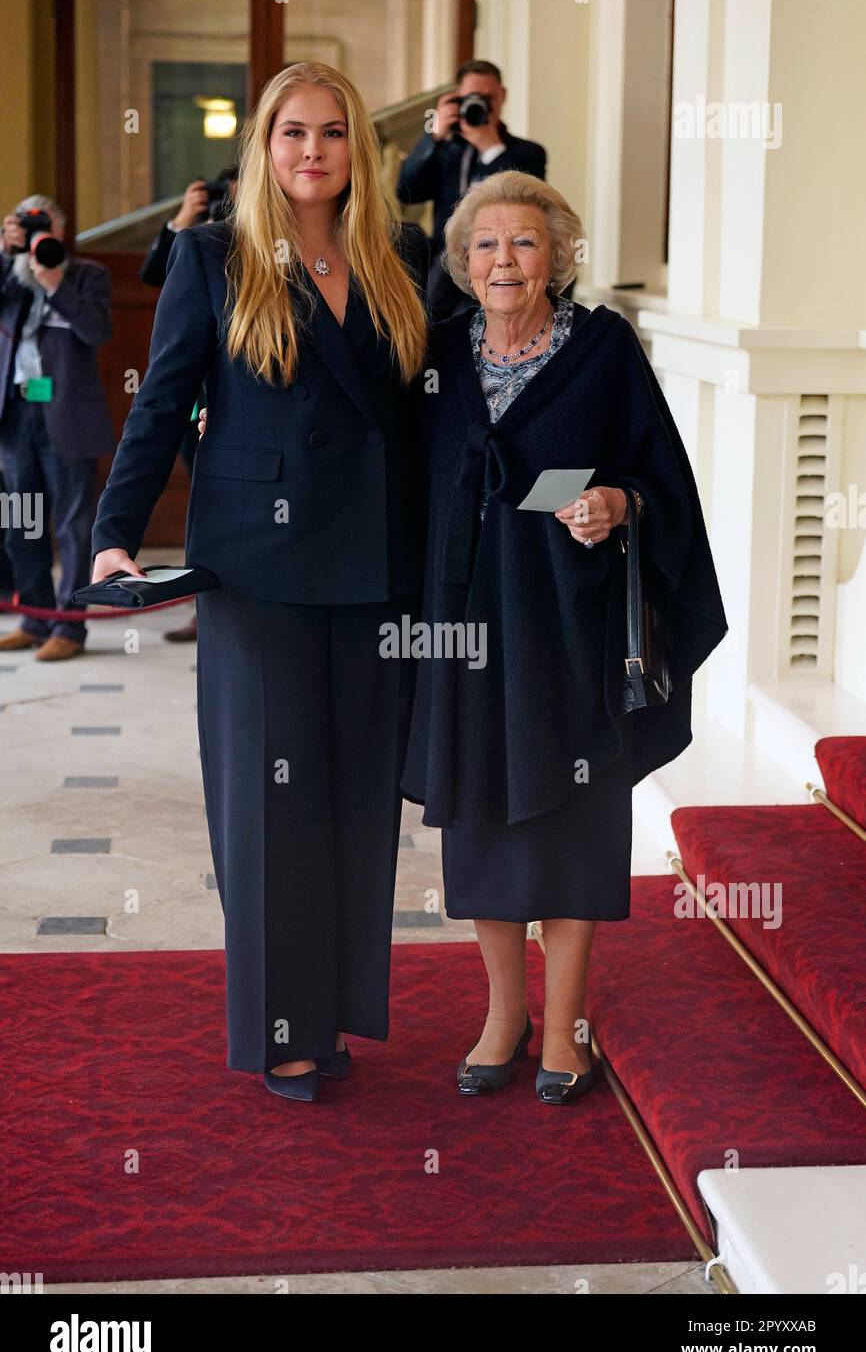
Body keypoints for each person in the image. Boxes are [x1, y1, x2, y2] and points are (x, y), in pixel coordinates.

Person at [89, 62, 430, 1104]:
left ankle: (331, 1013)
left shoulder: (397, 257)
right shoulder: (210, 255)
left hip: (376, 566)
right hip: (260, 566)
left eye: (332, 132)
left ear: (357, 150)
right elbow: (162, 407)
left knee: (354, 801)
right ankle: (281, 1030)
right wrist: (111, 535)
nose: (312, 151)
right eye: (292, 132)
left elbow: (427, 416)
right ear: (262, 146)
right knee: (272, 804)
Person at [398, 171, 729, 1105]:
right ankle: (505, 1016)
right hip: (464, 628)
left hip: (569, 626)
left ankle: (569, 1024)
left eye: (526, 243)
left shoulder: (603, 351)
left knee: (576, 826)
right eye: (488, 245)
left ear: (559, 257)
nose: (506, 259)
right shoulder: (434, 355)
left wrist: (617, 503)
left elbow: (662, 478)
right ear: (463, 263)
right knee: (482, 825)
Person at [0, 195, 114, 660]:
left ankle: (69, 628)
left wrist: (53, 283)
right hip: (17, 414)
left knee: (72, 526)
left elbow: (96, 331)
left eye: (44, 227)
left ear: (60, 231)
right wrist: (6, 253)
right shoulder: (9, 275)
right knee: (20, 524)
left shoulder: (87, 274)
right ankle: (35, 617)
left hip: (66, 414)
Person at [138, 170, 239, 645]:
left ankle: (223, 603)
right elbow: (152, 274)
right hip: (190, 402)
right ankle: (205, 603)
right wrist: (183, 219)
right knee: (206, 499)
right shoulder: (198, 244)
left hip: (242, 407)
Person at [397, 59, 546, 319]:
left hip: (499, 261)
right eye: (471, 98)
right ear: (456, 100)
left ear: (502, 97)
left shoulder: (527, 154)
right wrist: (433, 136)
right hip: (443, 264)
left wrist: (492, 150)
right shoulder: (444, 150)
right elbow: (406, 191)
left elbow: (528, 204)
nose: (479, 105)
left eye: (487, 98)